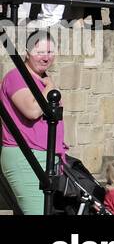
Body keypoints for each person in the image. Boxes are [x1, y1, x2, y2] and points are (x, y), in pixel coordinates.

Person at [0, 31, 67, 214]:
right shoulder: (16, 76)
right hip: (26, 157)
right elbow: (32, 110)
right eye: (40, 52)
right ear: (27, 52)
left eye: (50, 52)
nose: (46, 58)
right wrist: (50, 87)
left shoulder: (41, 79)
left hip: (47, 157)